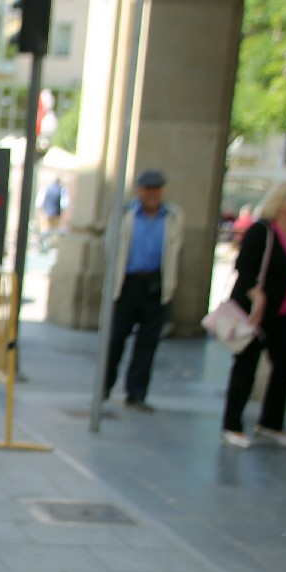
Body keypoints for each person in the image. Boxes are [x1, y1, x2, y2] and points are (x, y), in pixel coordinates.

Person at [221, 181, 286, 449]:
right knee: (246, 367)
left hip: (282, 314)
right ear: (281, 200)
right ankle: (232, 425)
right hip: (254, 313)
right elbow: (243, 266)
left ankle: (270, 423)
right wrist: (256, 293)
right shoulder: (262, 230)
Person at [104, 168, 183, 413]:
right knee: (116, 338)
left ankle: (136, 392)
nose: (152, 194)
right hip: (127, 284)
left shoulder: (173, 216)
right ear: (139, 190)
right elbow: (110, 246)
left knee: (148, 343)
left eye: (156, 189)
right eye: (148, 189)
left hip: (154, 285)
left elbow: (175, 251)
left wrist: (169, 286)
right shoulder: (125, 213)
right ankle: (105, 385)